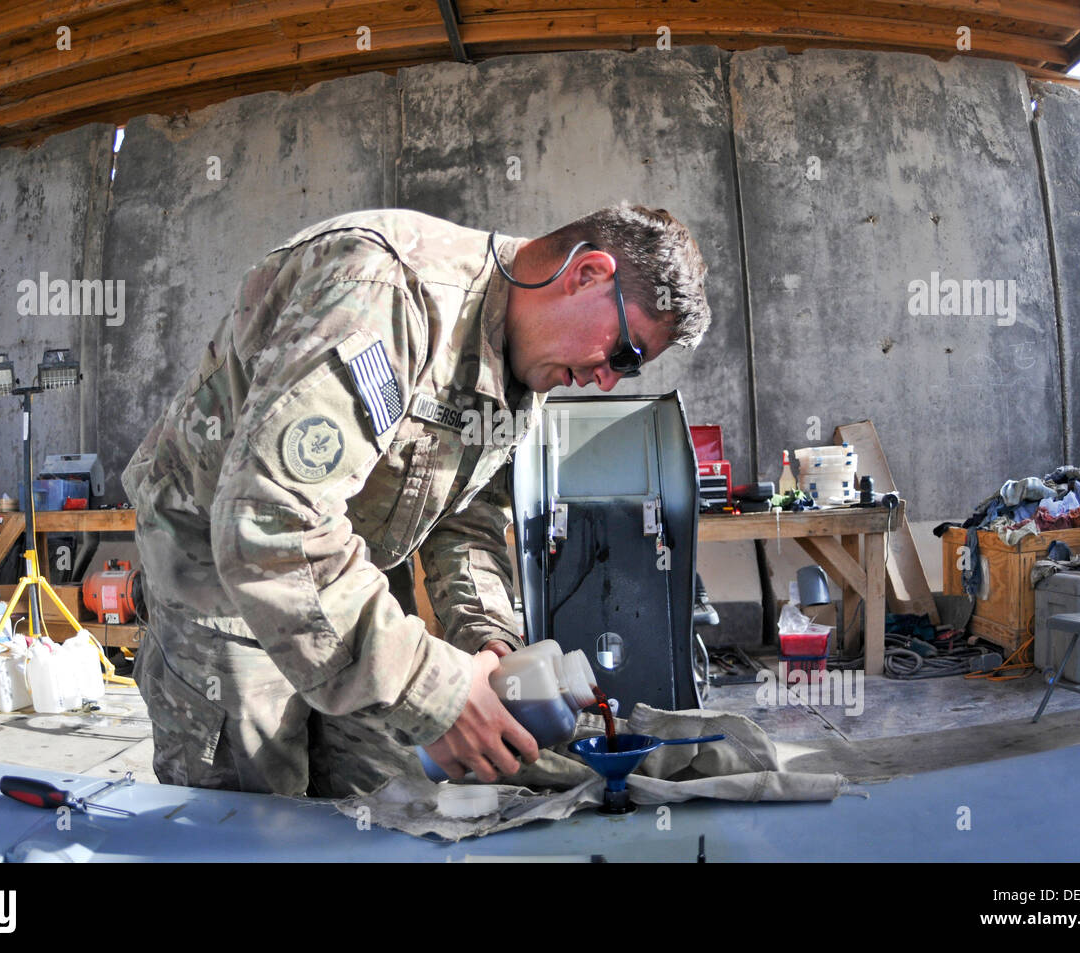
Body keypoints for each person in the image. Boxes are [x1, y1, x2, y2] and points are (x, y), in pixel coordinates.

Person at [121, 204, 710, 797]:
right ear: (588, 274)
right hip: (222, 580)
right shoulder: (391, 295)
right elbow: (272, 520)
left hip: (351, 572)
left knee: (377, 799)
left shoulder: (521, 373)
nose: (606, 379)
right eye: (625, 354)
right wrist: (439, 692)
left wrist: (488, 642)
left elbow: (467, 521)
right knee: (249, 815)